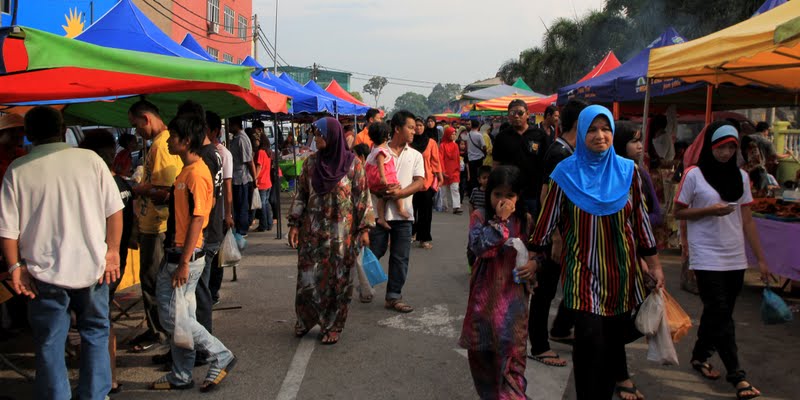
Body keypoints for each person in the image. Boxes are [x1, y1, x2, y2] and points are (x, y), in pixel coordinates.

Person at [529, 105, 665, 400]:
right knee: (589, 340)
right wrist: (534, 258)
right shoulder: (564, 174)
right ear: (580, 133)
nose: (599, 135)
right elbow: (546, 221)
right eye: (591, 129)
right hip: (583, 272)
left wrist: (653, 265)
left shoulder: (629, 172)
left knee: (612, 343)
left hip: (622, 273)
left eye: (605, 129)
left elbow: (641, 223)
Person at [0, 106, 124, 400]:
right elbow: (115, 211)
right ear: (63, 128)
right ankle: (94, 395)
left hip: (44, 274)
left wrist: (15, 266)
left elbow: (7, 230)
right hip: (94, 268)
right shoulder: (91, 160)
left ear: (29, 134)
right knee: (95, 334)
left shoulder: (18, 170)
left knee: (51, 342)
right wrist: (113, 252)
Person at [674, 121, 769, 400]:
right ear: (711, 147)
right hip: (706, 255)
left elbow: (748, 220)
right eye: (721, 147)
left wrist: (761, 260)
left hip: (734, 256)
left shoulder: (741, 177)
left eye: (731, 147)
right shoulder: (694, 175)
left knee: (718, 312)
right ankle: (737, 376)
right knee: (722, 314)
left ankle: (700, 355)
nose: (726, 153)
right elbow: (679, 212)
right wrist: (707, 211)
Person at [151, 111, 236, 392]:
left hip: (185, 256)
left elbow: (200, 218)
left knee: (172, 315)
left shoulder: (198, 173)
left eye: (173, 137)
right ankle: (182, 373)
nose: (167, 142)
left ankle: (219, 354)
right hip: (180, 254)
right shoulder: (187, 171)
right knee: (180, 315)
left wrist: (185, 260)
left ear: (186, 141)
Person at [287, 117, 374, 344]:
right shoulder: (310, 164)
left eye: (319, 134)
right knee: (308, 278)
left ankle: (333, 325)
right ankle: (306, 320)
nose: (316, 138)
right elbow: (302, 195)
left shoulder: (353, 165)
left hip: (341, 236)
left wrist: (364, 229)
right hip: (312, 234)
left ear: (332, 136)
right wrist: (294, 224)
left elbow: (363, 198)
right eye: (315, 134)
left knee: (338, 281)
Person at [459, 166, 538, 399]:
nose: (503, 201)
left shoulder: (525, 221)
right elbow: (478, 247)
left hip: (514, 307)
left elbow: (537, 253)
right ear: (488, 193)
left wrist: (534, 265)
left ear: (518, 197)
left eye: (510, 196)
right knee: (482, 361)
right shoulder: (480, 218)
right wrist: (499, 221)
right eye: (498, 195)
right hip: (484, 304)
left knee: (512, 365)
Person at [527, 99, 589, 369]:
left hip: (563, 233)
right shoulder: (559, 153)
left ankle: (560, 329)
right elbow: (546, 195)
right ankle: (539, 346)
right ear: (579, 124)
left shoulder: (568, 150)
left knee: (562, 285)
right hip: (554, 235)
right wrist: (555, 236)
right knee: (545, 291)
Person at [78, 129, 134, 395]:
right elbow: (128, 224)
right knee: (101, 322)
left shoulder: (96, 186)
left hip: (98, 265)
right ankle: (107, 378)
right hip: (114, 261)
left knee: (97, 324)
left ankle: (106, 379)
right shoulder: (122, 185)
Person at [128, 100, 183, 352]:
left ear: (147, 118)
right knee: (153, 281)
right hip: (154, 224)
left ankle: (160, 332)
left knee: (153, 282)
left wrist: (139, 188)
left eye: (136, 125)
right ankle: (159, 330)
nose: (136, 131)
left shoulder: (162, 146)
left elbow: (166, 192)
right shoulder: (161, 144)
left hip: (158, 226)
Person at [368, 110, 425, 314]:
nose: (414, 131)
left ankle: (393, 296)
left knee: (400, 257)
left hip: (404, 215)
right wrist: (380, 190)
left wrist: (400, 193)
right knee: (375, 252)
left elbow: (420, 182)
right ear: (397, 129)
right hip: (379, 214)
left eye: (415, 127)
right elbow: (369, 178)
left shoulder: (416, 155)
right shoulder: (378, 151)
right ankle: (365, 285)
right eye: (410, 127)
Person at [492, 99, 551, 217]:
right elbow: (496, 165)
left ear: (527, 114)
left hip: (534, 192)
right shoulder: (502, 137)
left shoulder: (539, 135)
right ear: (508, 115)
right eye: (513, 113)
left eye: (520, 113)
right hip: (510, 193)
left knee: (533, 230)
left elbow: (547, 164)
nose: (516, 116)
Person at [207, 112, 234, 306]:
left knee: (216, 255)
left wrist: (228, 214)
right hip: (206, 210)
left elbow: (227, 185)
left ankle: (213, 292)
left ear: (215, 131)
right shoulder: (203, 152)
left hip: (219, 211)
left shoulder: (223, 154)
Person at [366, 122, 409, 229]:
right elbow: (381, 164)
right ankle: (400, 209)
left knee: (382, 198)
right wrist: (383, 177)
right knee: (397, 189)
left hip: (374, 181)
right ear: (386, 137)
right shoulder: (381, 151)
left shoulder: (373, 151)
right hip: (385, 179)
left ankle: (381, 218)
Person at [411, 117, 443, 249]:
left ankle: (424, 238)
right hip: (411, 183)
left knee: (425, 213)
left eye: (420, 125)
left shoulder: (431, 143)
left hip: (427, 182)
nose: (418, 128)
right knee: (411, 211)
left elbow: (435, 162)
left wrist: (440, 177)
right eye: (415, 126)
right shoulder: (408, 143)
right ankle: (411, 233)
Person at [229, 116, 256, 236]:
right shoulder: (236, 138)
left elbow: (249, 161)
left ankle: (242, 229)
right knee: (238, 205)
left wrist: (255, 179)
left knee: (242, 205)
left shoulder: (242, 139)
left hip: (242, 179)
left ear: (236, 125)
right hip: (236, 178)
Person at [253, 134, 274, 232]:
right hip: (268, 182)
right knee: (266, 204)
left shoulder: (261, 152)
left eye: (257, 140)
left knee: (262, 205)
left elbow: (259, 167)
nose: (255, 141)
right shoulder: (268, 152)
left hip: (262, 182)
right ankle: (269, 224)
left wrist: (254, 178)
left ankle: (263, 225)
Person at [439, 127, 462, 214]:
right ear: (447, 134)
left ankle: (456, 207)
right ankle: (444, 206)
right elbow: (440, 159)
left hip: (455, 171)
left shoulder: (455, 145)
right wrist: (442, 171)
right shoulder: (442, 146)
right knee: (444, 191)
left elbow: (457, 159)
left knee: (455, 189)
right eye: (452, 134)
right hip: (445, 170)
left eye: (454, 134)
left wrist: (458, 169)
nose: (453, 136)